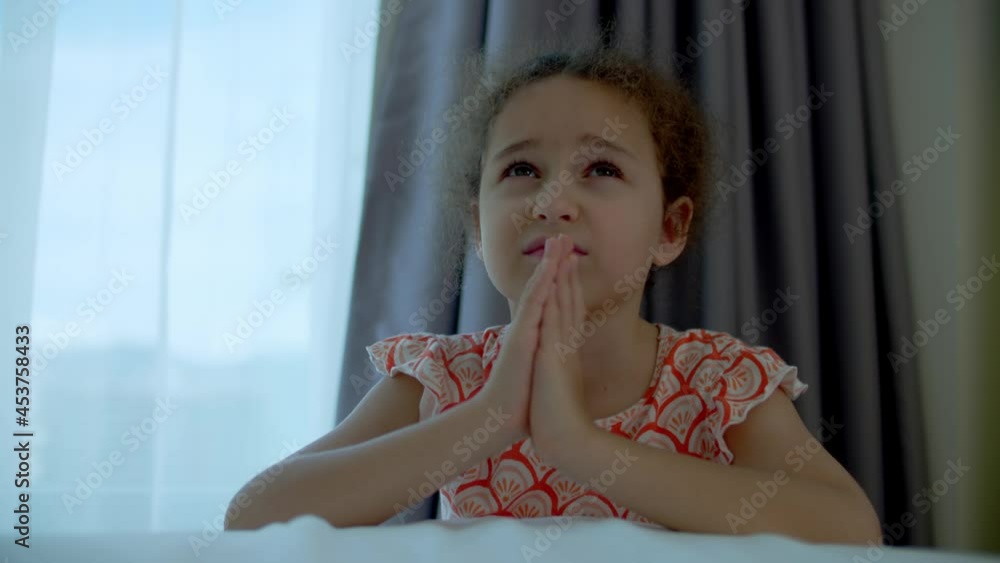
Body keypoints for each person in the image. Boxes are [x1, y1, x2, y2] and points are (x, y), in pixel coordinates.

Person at [225, 41, 881, 545]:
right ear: (480, 230)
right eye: (520, 169)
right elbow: (253, 517)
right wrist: (487, 418)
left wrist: (582, 447)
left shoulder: (715, 381)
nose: (552, 201)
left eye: (601, 168)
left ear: (670, 227)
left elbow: (850, 530)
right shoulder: (444, 378)